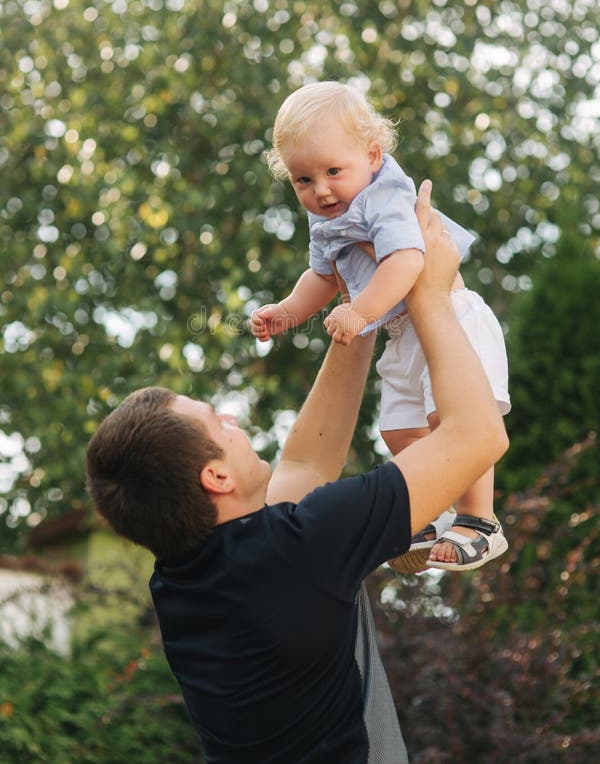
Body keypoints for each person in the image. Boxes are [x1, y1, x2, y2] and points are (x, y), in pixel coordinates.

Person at [86, 183, 508, 763]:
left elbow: (306, 463)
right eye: (217, 422)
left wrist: (360, 302)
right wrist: (431, 296)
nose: (232, 417)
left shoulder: (185, 582)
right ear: (216, 478)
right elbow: (479, 434)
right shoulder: (302, 548)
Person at [251, 81, 510, 573]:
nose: (320, 189)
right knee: (398, 429)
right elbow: (321, 277)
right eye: (302, 179)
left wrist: (361, 312)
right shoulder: (327, 216)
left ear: (371, 156)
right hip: (402, 331)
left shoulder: (383, 193)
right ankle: (430, 511)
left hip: (449, 316)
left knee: (449, 422)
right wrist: (284, 313)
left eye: (332, 171)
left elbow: (407, 260)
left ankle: (480, 520)